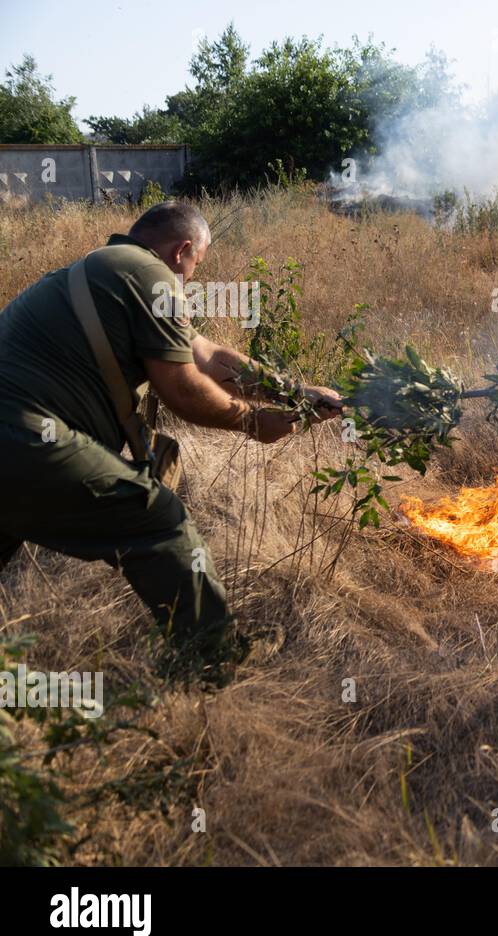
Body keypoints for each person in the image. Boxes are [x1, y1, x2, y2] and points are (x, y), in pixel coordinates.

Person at [0, 201, 341, 681]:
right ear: (183, 251)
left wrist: (293, 393)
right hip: (23, 440)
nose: (190, 280)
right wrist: (253, 422)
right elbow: (181, 386)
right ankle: (212, 661)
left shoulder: (111, 269)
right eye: (196, 266)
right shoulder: (150, 276)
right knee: (161, 522)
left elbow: (206, 355)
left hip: (13, 442)